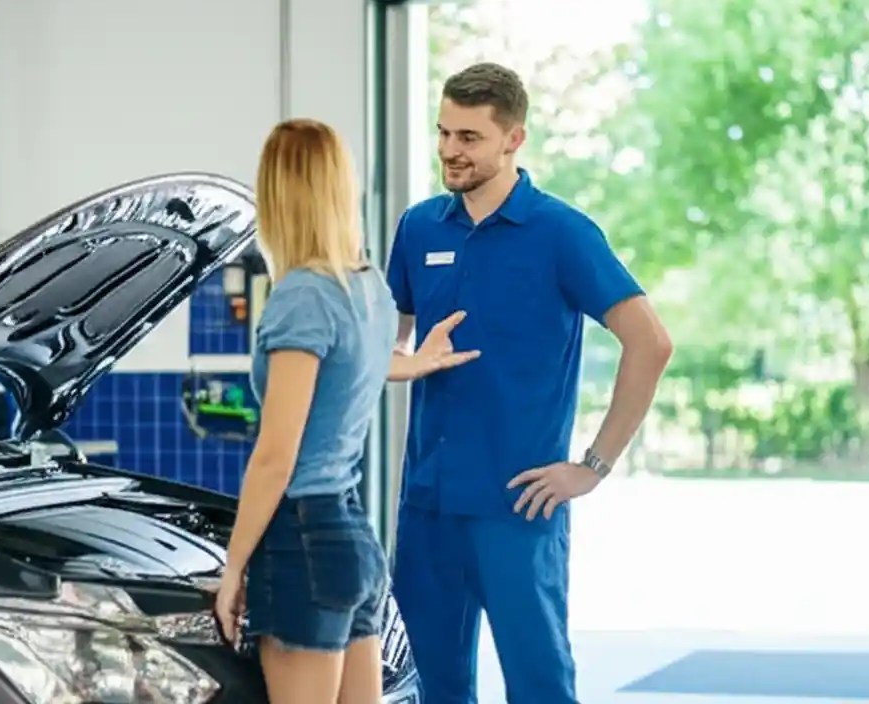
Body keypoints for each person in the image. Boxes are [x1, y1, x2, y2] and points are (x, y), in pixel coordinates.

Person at [384, 62, 675, 703]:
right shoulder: (419, 227)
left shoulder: (561, 233)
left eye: (468, 137)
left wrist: (592, 467)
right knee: (427, 688)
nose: (450, 151)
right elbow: (387, 344)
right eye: (443, 133)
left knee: (540, 686)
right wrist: (406, 359)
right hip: (427, 507)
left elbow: (651, 343)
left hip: (519, 506)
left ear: (513, 138)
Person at [213, 118, 477, 703]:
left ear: (280, 194)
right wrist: (418, 362)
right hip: (354, 541)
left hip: (300, 539)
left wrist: (232, 569)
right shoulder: (368, 288)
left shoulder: (301, 295)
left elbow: (277, 456)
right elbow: (359, 367)